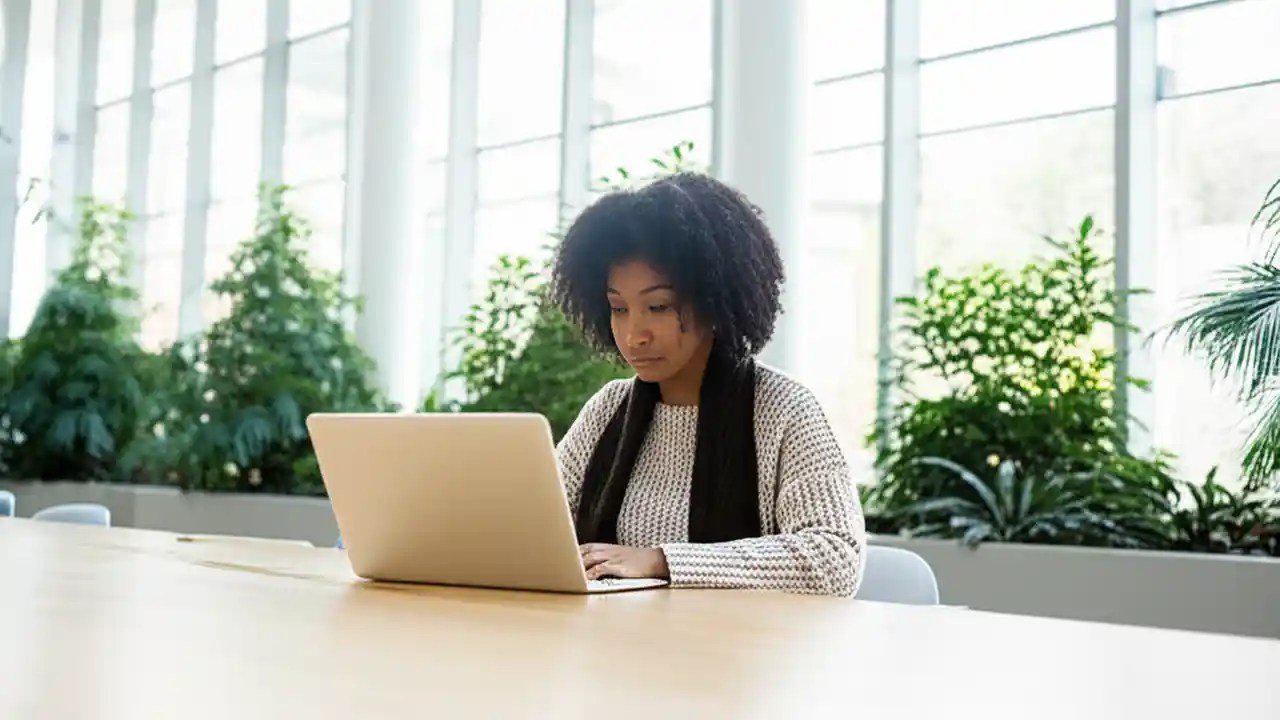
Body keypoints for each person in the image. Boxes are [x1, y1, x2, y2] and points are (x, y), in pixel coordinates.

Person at [552, 172, 866, 597]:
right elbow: (538, 527)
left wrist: (662, 561)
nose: (634, 334)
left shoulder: (784, 410)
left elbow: (835, 558)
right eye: (619, 308)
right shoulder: (608, 409)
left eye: (658, 306)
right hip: (613, 651)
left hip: (739, 656)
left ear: (716, 297)